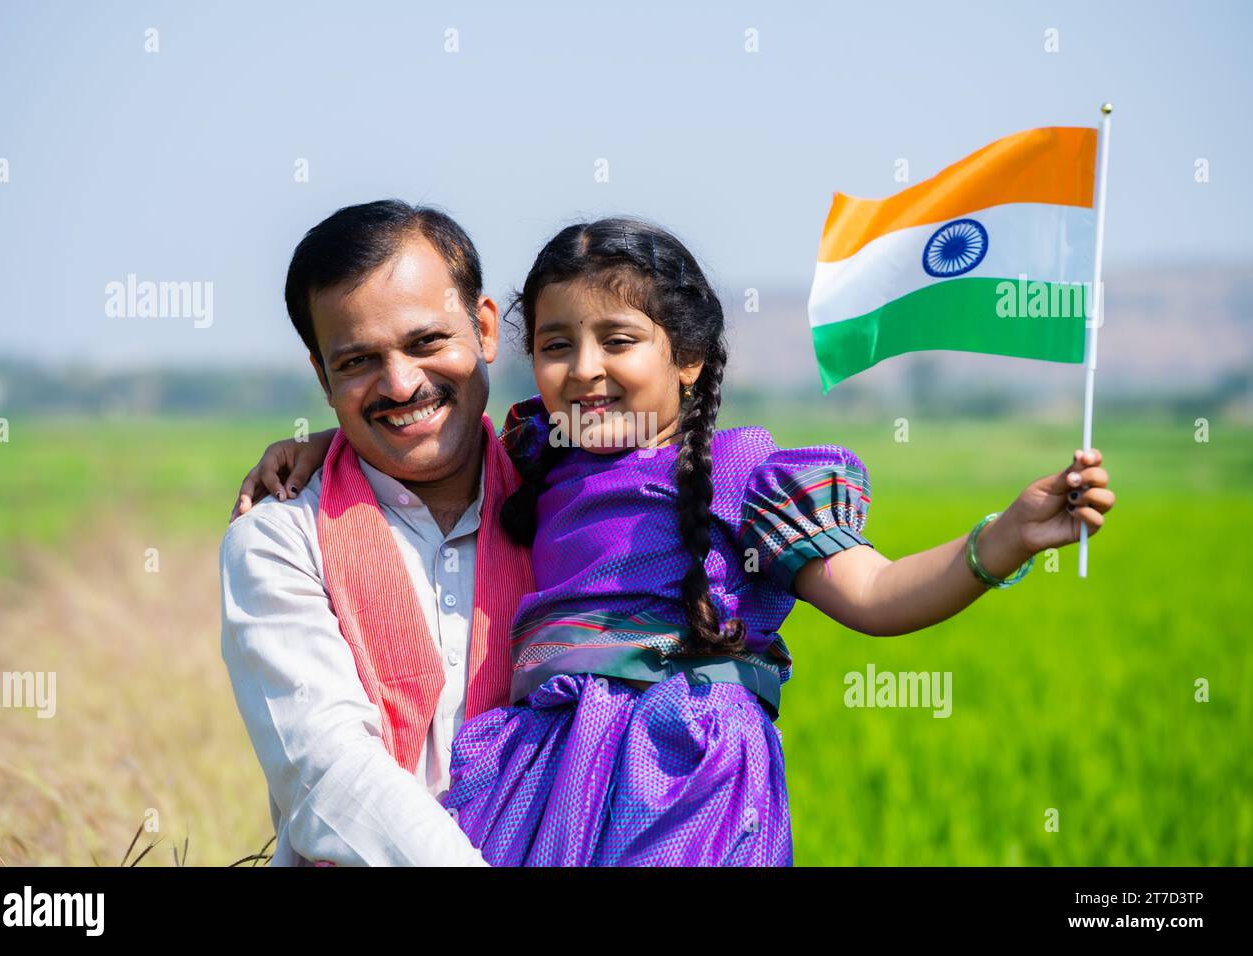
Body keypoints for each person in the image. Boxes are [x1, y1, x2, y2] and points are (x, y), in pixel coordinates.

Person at [238, 217, 1115, 866]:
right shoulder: (535, 460)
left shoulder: (747, 483)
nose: (584, 368)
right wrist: (330, 453)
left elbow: (878, 595)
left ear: (688, 359)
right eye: (555, 346)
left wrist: (998, 541)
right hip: (546, 769)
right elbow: (413, 442)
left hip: (686, 771)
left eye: (618, 340)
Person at [219, 199, 534, 866]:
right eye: (359, 361)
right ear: (322, 377)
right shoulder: (278, 541)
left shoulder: (567, 508)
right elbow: (329, 776)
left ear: (483, 328)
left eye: (426, 343)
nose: (401, 383)